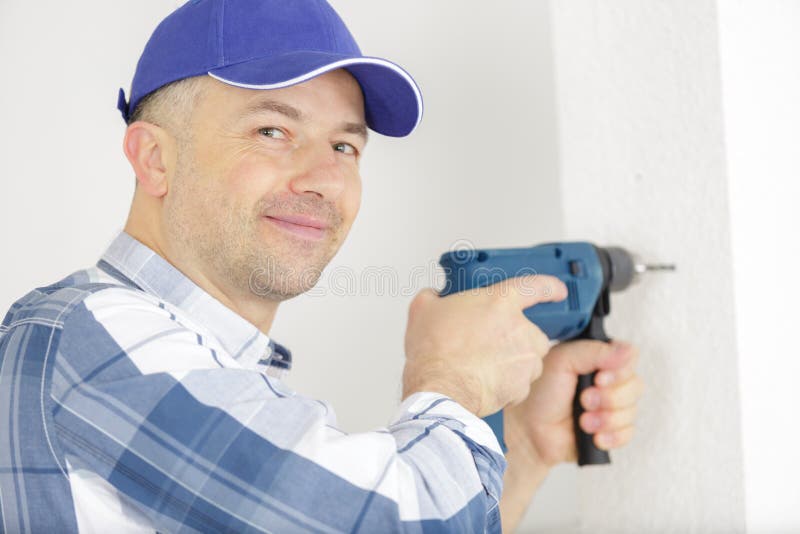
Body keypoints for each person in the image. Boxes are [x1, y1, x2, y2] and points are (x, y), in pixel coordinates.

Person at [0, 0, 643, 532]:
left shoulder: (218, 376)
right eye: (272, 131)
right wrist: (452, 383)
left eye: (344, 144)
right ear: (154, 159)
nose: (325, 180)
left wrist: (522, 449)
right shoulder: (85, 341)